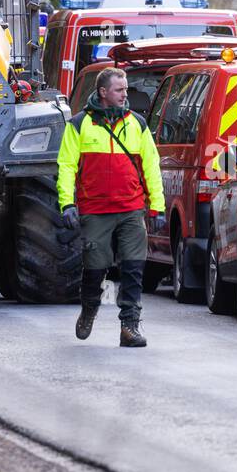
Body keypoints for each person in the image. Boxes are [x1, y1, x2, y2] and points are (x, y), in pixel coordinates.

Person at [57, 68, 165, 347]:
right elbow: (67, 166)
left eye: (126, 89)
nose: (125, 94)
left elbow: (151, 167)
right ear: (103, 92)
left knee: (133, 268)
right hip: (95, 210)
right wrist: (67, 203)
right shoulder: (79, 125)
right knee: (95, 268)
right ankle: (90, 306)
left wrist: (158, 206)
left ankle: (130, 326)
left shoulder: (137, 124)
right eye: (120, 90)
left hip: (130, 208)